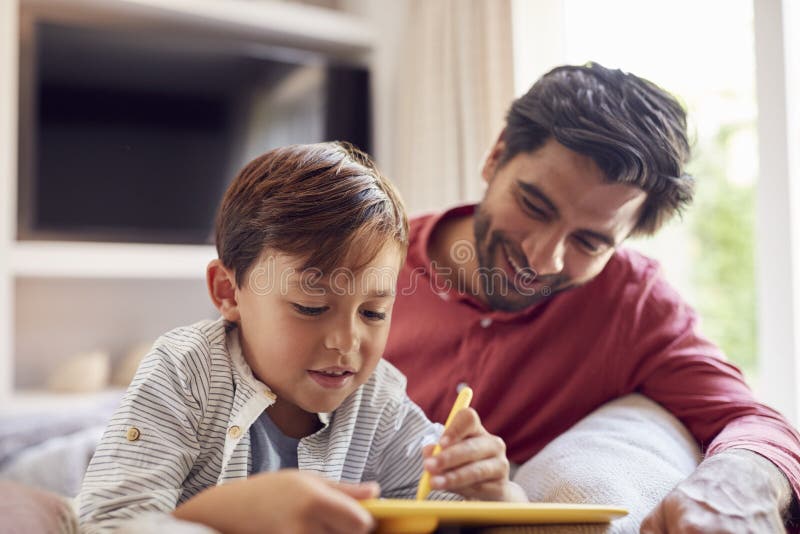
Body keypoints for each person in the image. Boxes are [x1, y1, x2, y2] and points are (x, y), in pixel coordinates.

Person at [384, 63, 800, 532]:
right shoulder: (367, 260)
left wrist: (735, 486)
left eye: (590, 242)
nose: (542, 260)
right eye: (533, 206)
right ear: (496, 156)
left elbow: (751, 420)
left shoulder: (633, 305)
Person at [77, 142, 526, 534]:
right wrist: (227, 515)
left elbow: (443, 511)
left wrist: (493, 493)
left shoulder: (380, 401)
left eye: (374, 312)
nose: (346, 342)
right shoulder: (183, 370)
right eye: (311, 307)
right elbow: (109, 521)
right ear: (227, 292)